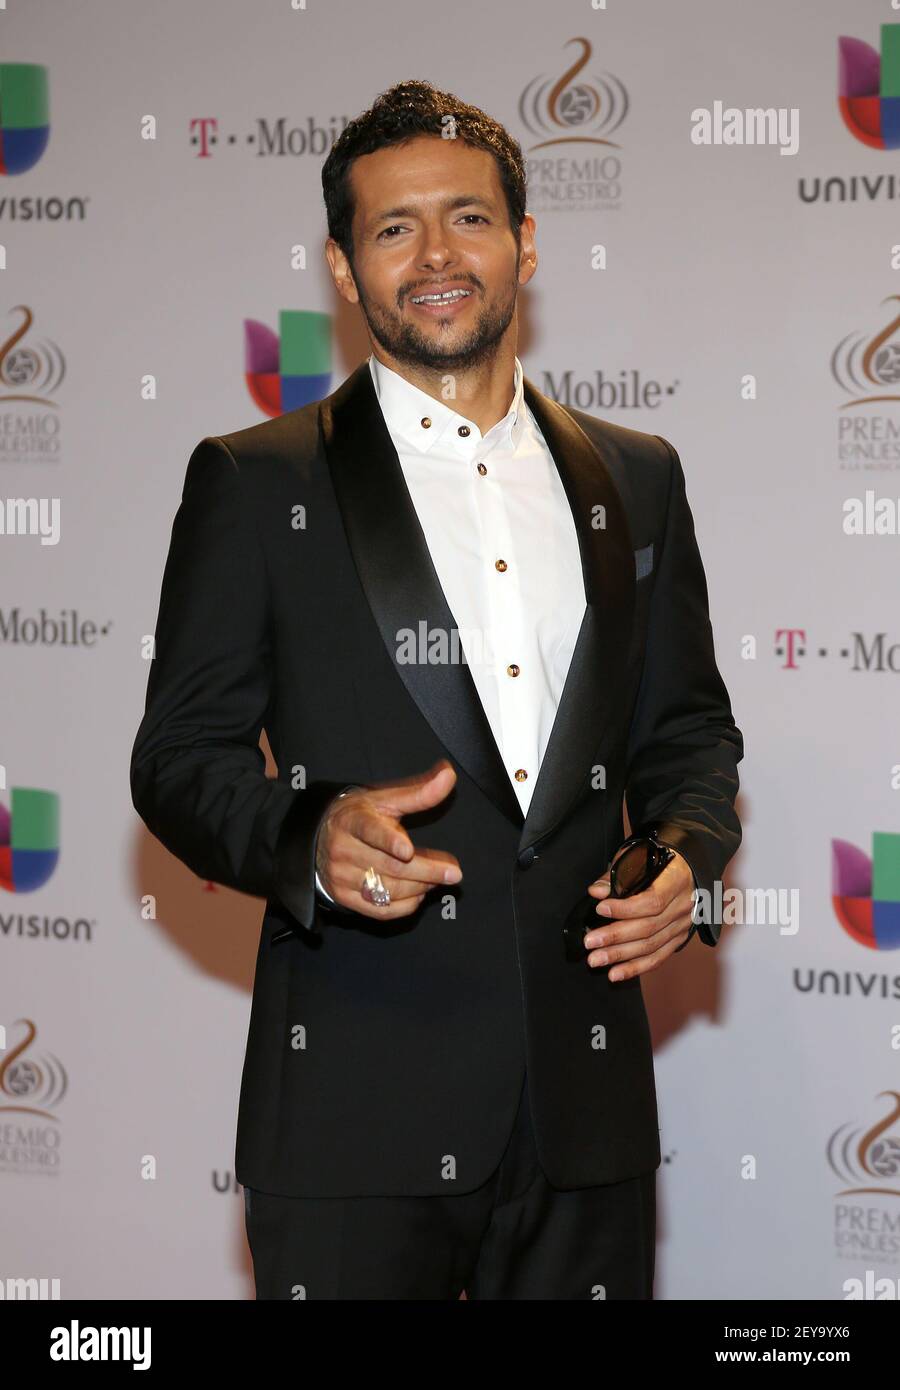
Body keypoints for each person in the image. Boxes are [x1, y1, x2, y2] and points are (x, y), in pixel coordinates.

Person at [130, 78, 743, 1300]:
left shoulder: (640, 477)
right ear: (345, 270)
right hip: (357, 1116)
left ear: (525, 242)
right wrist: (308, 834)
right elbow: (179, 758)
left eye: (467, 217)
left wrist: (683, 856)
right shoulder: (256, 483)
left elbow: (687, 731)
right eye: (393, 228)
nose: (435, 256)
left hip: (586, 1115)